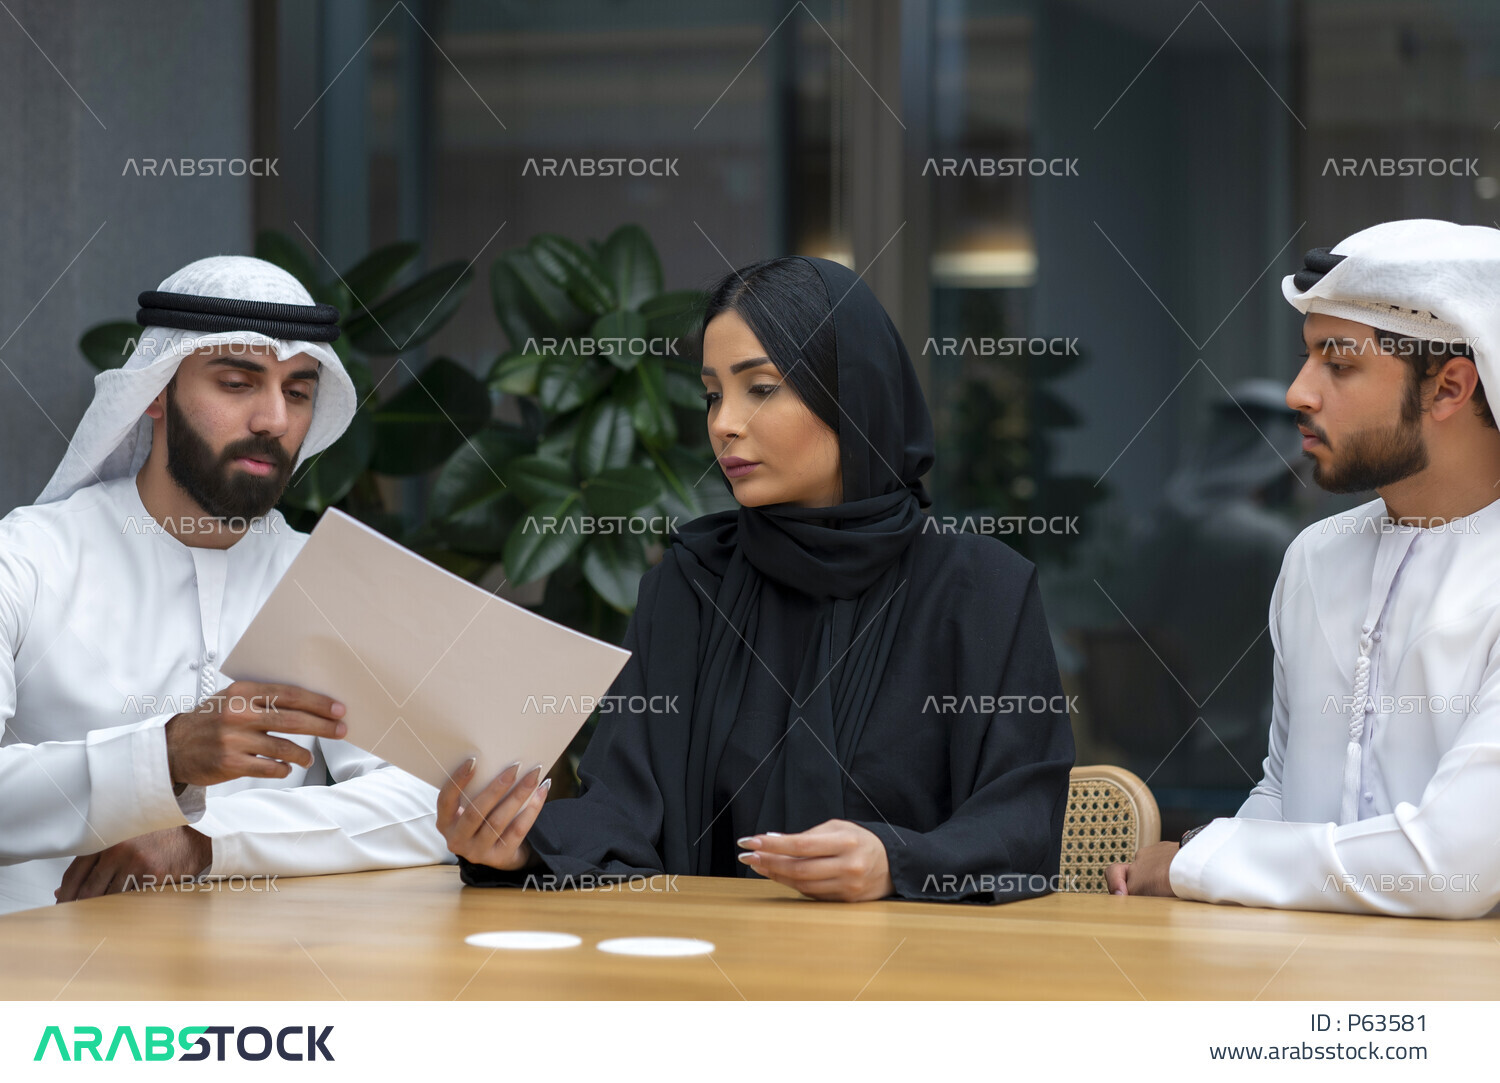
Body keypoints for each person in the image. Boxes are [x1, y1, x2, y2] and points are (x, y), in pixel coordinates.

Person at [440, 255, 1075, 903]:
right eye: (713, 394)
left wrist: (897, 862)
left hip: (918, 961)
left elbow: (1022, 821)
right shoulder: (690, 583)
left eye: (761, 388)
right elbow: (626, 813)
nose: (723, 423)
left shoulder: (983, 589)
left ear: (852, 394)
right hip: (707, 958)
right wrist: (521, 845)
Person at [0, 255, 452, 915]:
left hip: (266, 968)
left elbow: (427, 802)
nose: (273, 419)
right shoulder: (26, 559)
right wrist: (160, 756)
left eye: (298, 392)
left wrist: (208, 842)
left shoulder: (323, 579)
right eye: (238, 383)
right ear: (156, 392)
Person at [1108, 219, 1500, 918]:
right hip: (1295, 970)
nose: (1298, 393)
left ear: (1448, 388)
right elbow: (1284, 794)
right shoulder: (1316, 554)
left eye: (1338, 364)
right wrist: (1201, 867)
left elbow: (1450, 865)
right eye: (1307, 357)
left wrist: (1200, 860)